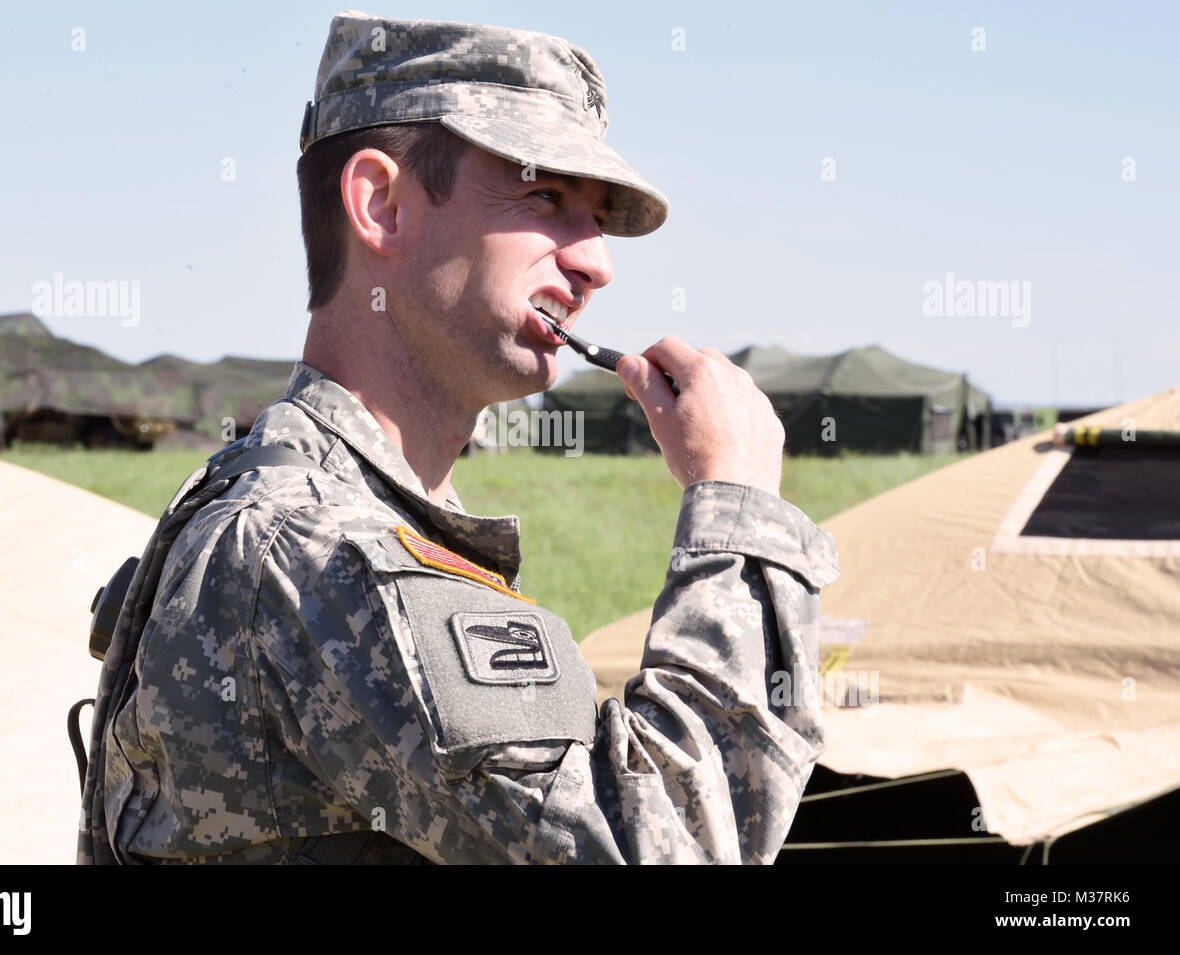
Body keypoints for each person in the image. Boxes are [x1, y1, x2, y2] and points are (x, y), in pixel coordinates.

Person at [79, 9, 840, 865]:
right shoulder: (318, 548)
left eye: (594, 216)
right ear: (382, 205)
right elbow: (663, 847)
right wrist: (736, 510)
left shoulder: (340, 517)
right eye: (544, 196)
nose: (596, 262)